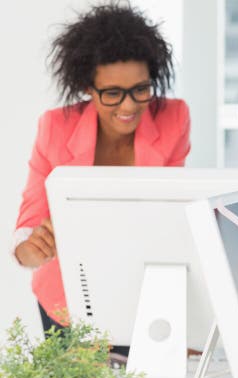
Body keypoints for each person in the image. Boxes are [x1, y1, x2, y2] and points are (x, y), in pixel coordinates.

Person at [13, 4, 190, 333]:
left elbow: (170, 214)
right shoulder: (55, 128)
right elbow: (30, 217)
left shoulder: (173, 119)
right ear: (87, 87)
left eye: (140, 89)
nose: (129, 105)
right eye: (112, 93)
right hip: (67, 297)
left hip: (141, 292)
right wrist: (30, 249)